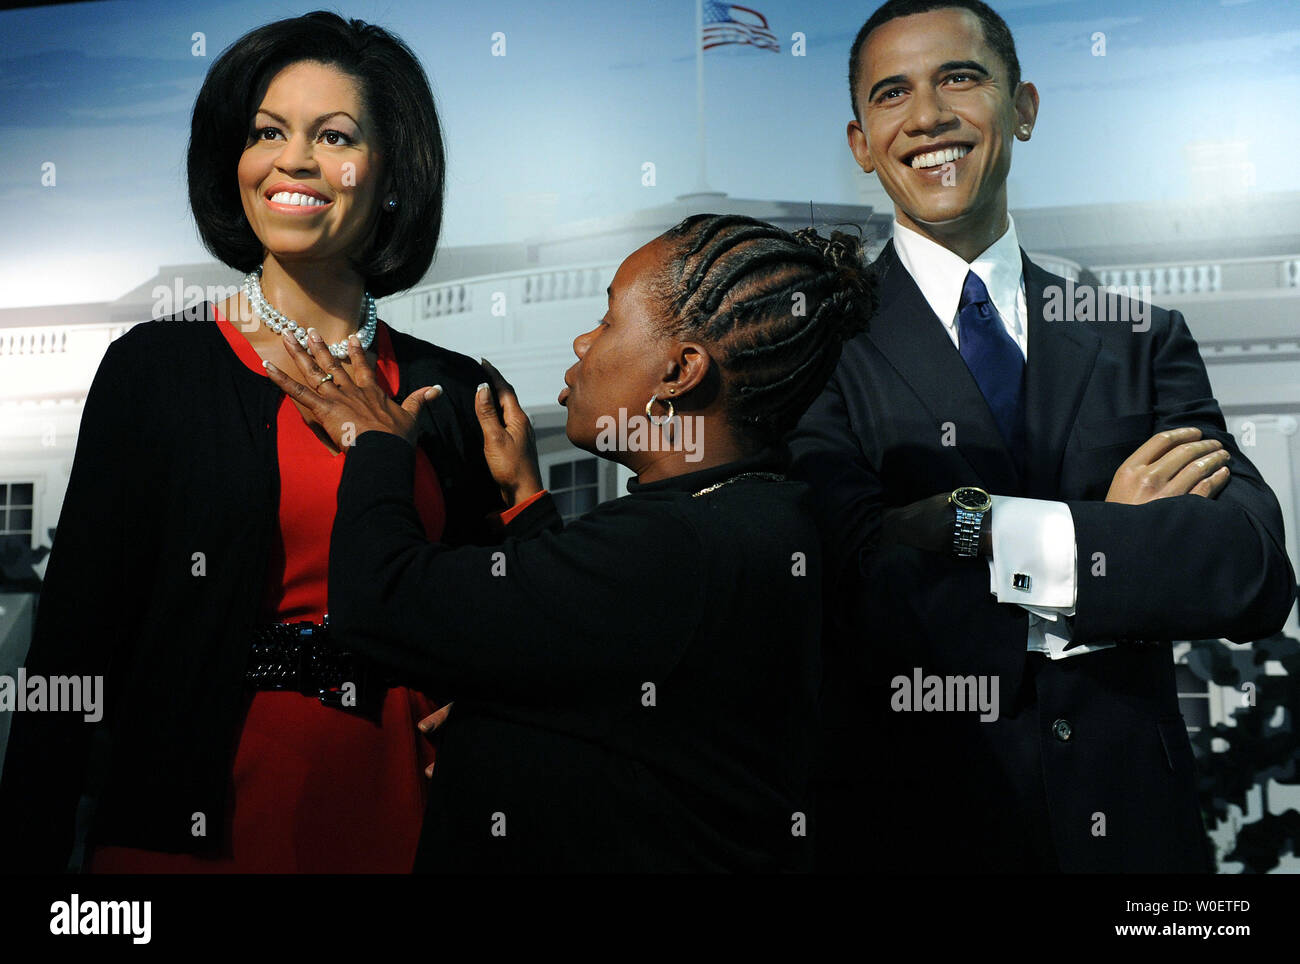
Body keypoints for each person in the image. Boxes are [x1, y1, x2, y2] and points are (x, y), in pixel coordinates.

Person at [787, 0, 1295, 873]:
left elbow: (1249, 566)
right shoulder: (816, 354)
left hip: (1141, 849)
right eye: (891, 93)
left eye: (960, 77)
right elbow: (857, 591)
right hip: (922, 836)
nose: (928, 116)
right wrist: (1111, 539)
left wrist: (995, 532)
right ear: (861, 142)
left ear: (1022, 107)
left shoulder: (1139, 336)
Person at [0, 11, 506, 873]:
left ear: (391, 175)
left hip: (405, 818)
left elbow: (497, 622)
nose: (293, 161)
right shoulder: (154, 371)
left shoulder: (457, 391)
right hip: (187, 827)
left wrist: (492, 713)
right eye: (267, 132)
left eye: (334, 135)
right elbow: (73, 648)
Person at [260, 214, 873, 872]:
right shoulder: (758, 515)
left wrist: (375, 442)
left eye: (608, 320)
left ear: (680, 370)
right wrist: (527, 506)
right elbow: (600, 653)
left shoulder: (679, 543)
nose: (583, 340)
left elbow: (381, 603)